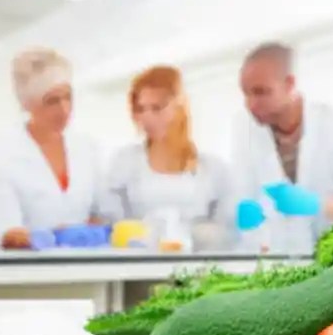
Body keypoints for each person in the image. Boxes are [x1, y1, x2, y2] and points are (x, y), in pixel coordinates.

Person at [231, 42, 333, 229]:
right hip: (274, 252)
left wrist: (316, 204)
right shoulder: (245, 129)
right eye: (245, 93)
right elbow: (244, 197)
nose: (250, 104)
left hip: (332, 247)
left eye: (261, 92)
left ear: (289, 84)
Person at [0, 48, 103, 248]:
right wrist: (49, 237)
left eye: (68, 97)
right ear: (28, 103)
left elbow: (101, 214)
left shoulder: (87, 148)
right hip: (32, 270)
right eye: (52, 101)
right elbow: (7, 231)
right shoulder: (3, 155)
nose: (64, 109)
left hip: (87, 265)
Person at [99, 66, 236, 229]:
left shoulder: (213, 169)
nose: (147, 118)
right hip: (139, 252)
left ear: (179, 107)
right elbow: (112, 225)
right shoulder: (124, 162)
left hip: (196, 252)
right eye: (141, 109)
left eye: (157, 108)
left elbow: (227, 232)